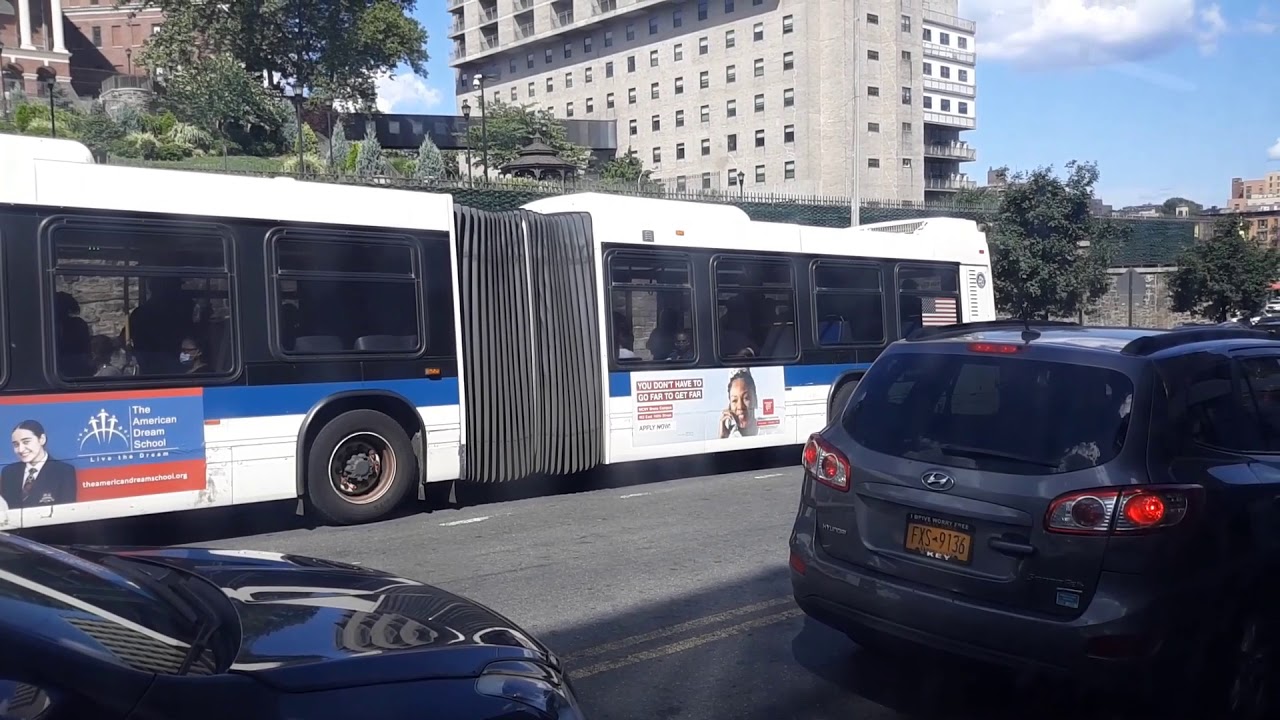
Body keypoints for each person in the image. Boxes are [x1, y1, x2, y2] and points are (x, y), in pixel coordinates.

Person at [0, 420, 77, 508]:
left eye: (26, 442)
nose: (21, 449)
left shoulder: (63, 471)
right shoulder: (9, 473)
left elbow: (66, 511)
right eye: (16, 445)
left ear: (42, 439)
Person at [718, 368, 759, 438]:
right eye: (734, 400)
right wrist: (723, 440)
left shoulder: (769, 431)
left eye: (746, 398)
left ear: (755, 400)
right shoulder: (730, 437)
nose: (740, 406)